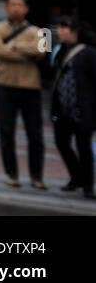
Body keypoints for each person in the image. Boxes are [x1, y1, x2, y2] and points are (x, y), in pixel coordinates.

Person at [0, 0, 47, 189]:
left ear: (26, 9)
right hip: (5, 84)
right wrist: (26, 52)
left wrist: (14, 45)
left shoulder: (38, 31)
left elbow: (41, 51)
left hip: (31, 86)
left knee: (35, 133)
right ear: (6, 7)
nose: (16, 8)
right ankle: (12, 174)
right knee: (6, 131)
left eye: (20, 5)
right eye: (12, 5)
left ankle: (36, 176)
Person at [49, 16, 95, 199]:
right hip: (63, 107)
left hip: (82, 109)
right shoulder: (60, 50)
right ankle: (77, 177)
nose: (59, 31)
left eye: (63, 27)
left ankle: (88, 184)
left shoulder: (88, 53)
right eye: (59, 27)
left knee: (83, 147)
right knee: (62, 143)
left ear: (74, 31)